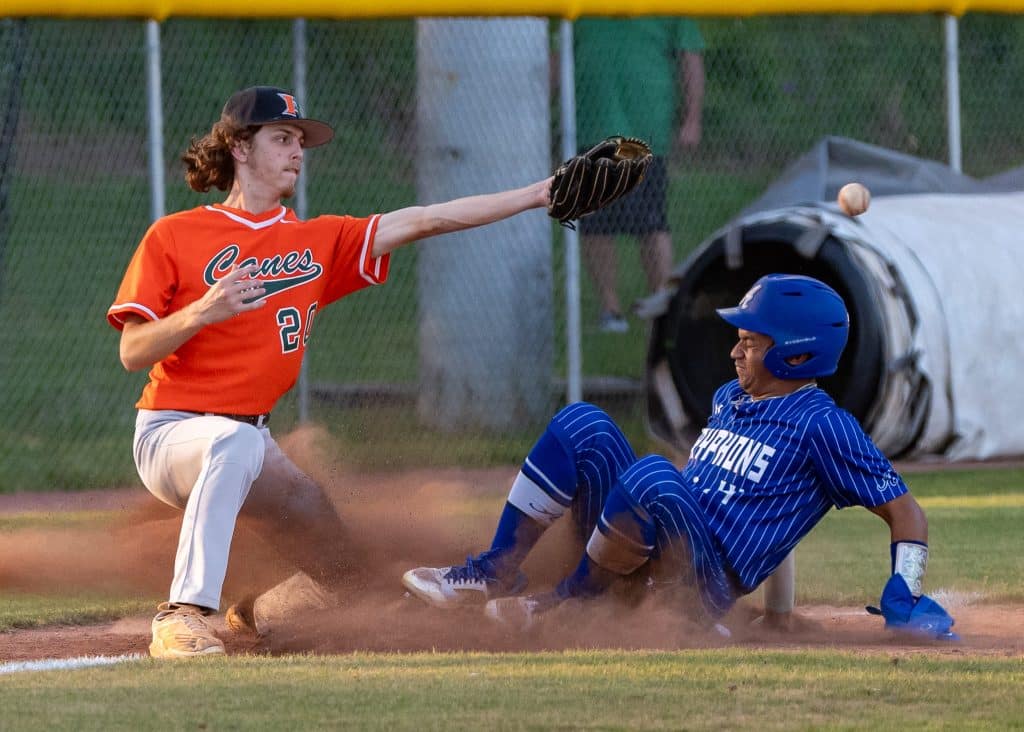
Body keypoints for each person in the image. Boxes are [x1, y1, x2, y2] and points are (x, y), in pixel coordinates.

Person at [107, 85, 554, 659]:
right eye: (282, 138)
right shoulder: (175, 234)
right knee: (232, 441)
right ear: (240, 148)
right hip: (171, 434)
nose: (298, 150)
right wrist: (202, 310)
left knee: (343, 575)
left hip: (250, 437)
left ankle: (254, 617)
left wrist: (536, 194)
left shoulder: (316, 241)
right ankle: (182, 615)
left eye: (301, 141)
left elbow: (428, 219)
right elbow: (133, 350)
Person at [403, 274, 957, 640]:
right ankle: (496, 571)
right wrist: (779, 614)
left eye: (752, 341)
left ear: (797, 353)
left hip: (696, 588)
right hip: (658, 543)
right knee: (583, 423)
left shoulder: (826, 425)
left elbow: (907, 513)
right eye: (739, 337)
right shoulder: (731, 397)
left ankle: (572, 602)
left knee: (653, 475)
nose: (736, 350)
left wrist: (904, 589)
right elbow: (758, 500)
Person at [573, 17, 705, 333]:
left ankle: (661, 308)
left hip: (646, 131)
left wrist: (692, 119)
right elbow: (561, 54)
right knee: (595, 224)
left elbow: (691, 57)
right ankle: (610, 309)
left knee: (651, 222)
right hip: (592, 127)